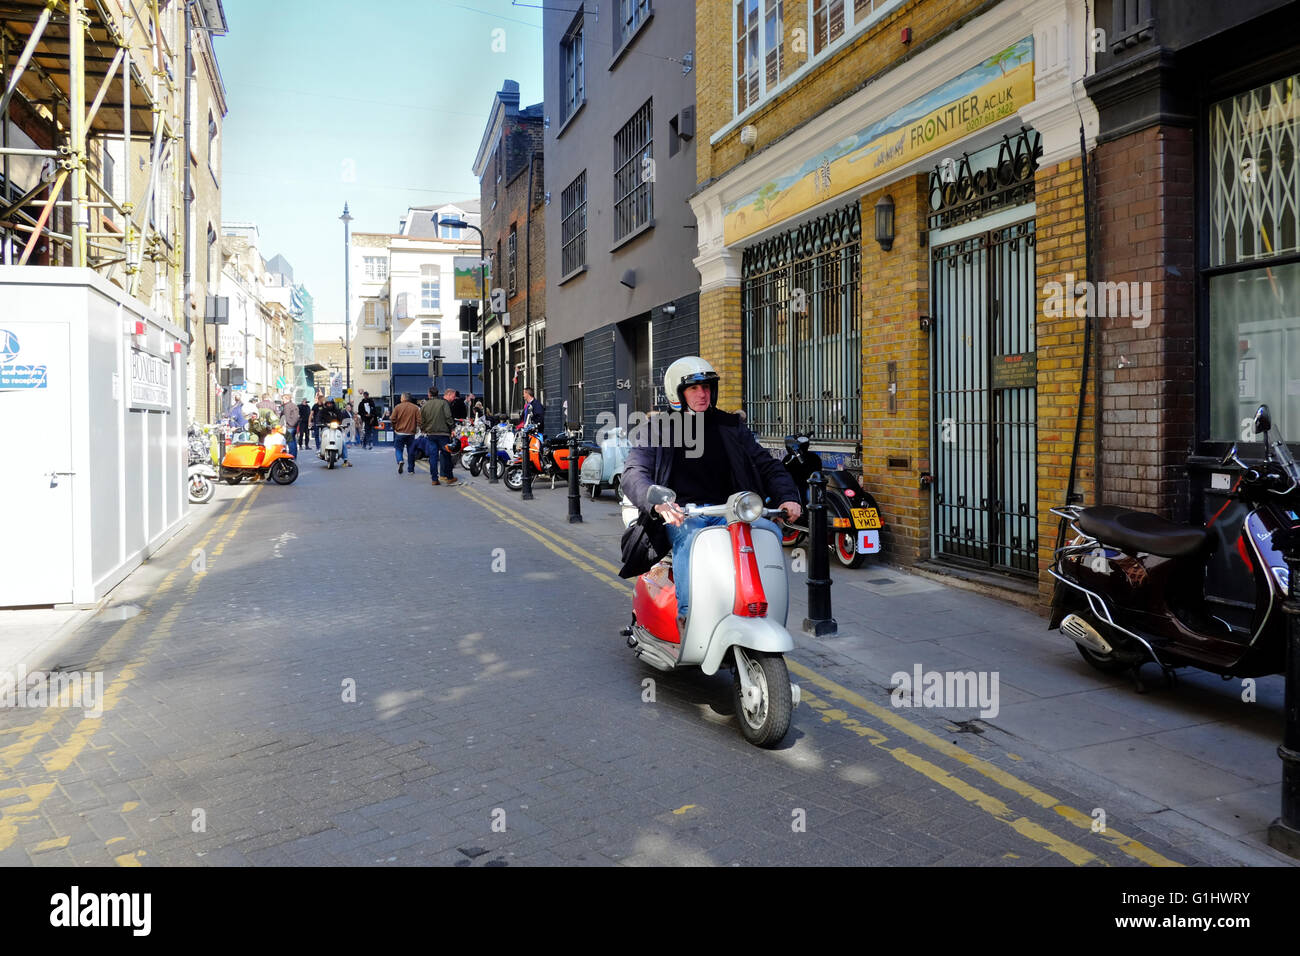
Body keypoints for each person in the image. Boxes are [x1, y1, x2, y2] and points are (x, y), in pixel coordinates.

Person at [620, 356, 801, 629]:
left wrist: (788, 496)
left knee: (770, 533)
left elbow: (767, 465)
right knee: (690, 538)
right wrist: (659, 503)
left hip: (732, 511)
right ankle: (689, 617)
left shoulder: (730, 426)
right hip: (684, 514)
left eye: (707, 387)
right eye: (694, 388)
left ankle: (766, 609)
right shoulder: (657, 428)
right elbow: (634, 472)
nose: (702, 393)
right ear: (677, 392)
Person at [420, 386, 459, 486]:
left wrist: (424, 429)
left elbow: (422, 420)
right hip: (443, 434)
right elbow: (448, 417)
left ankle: (434, 479)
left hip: (431, 434)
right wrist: (452, 428)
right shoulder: (443, 403)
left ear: (429, 394)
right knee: (446, 455)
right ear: (438, 393)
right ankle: (449, 477)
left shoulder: (425, 405)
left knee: (433, 456)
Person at [390, 392, 420, 475]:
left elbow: (392, 419)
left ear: (403, 398)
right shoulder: (415, 408)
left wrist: (395, 427)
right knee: (411, 451)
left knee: (398, 449)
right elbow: (419, 420)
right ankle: (411, 469)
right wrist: (417, 428)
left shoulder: (397, 407)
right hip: (411, 433)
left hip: (400, 432)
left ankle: (400, 460)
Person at [317, 399, 351, 466]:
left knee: (343, 442)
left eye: (330, 403)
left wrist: (344, 424)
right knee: (322, 438)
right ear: (326, 404)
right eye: (328, 404)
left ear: (333, 404)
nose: (329, 405)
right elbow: (318, 418)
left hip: (336, 428)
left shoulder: (337, 411)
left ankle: (346, 460)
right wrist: (320, 423)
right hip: (326, 427)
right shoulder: (322, 411)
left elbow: (342, 419)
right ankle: (320, 451)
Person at [278, 393, 299, 458]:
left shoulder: (287, 406)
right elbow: (296, 416)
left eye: (283, 399)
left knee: (290, 442)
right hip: (293, 426)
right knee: (293, 442)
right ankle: (294, 456)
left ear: (287, 399)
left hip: (289, 426)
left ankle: (291, 456)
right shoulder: (293, 405)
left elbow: (286, 417)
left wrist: (288, 424)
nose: (282, 400)